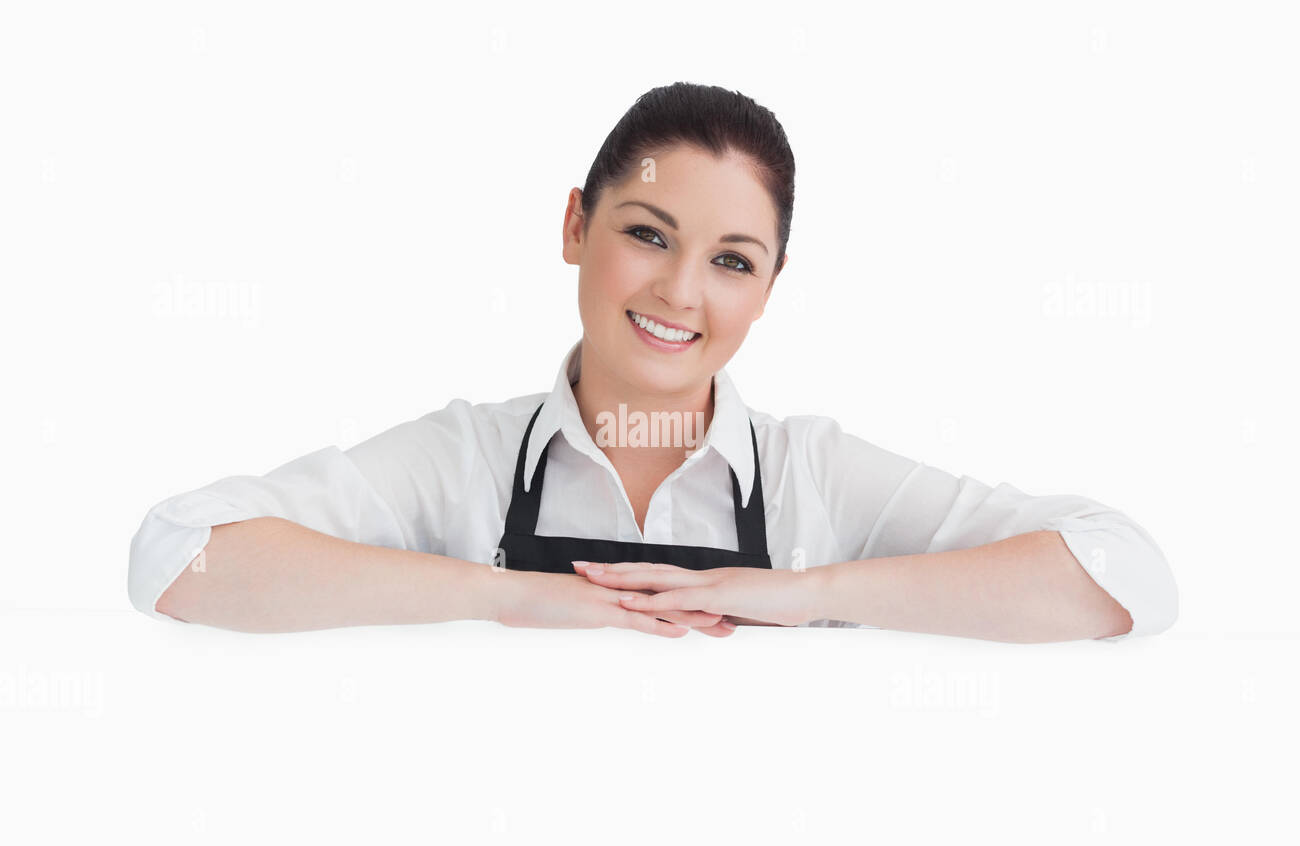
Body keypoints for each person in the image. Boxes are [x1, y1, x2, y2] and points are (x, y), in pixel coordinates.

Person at [127, 82, 1178, 642]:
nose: (681, 290)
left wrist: (805, 592)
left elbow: (1119, 574)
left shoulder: (811, 478)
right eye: (646, 232)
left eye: (730, 259)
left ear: (767, 288)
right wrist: (507, 597)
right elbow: (177, 555)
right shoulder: (464, 460)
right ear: (576, 224)